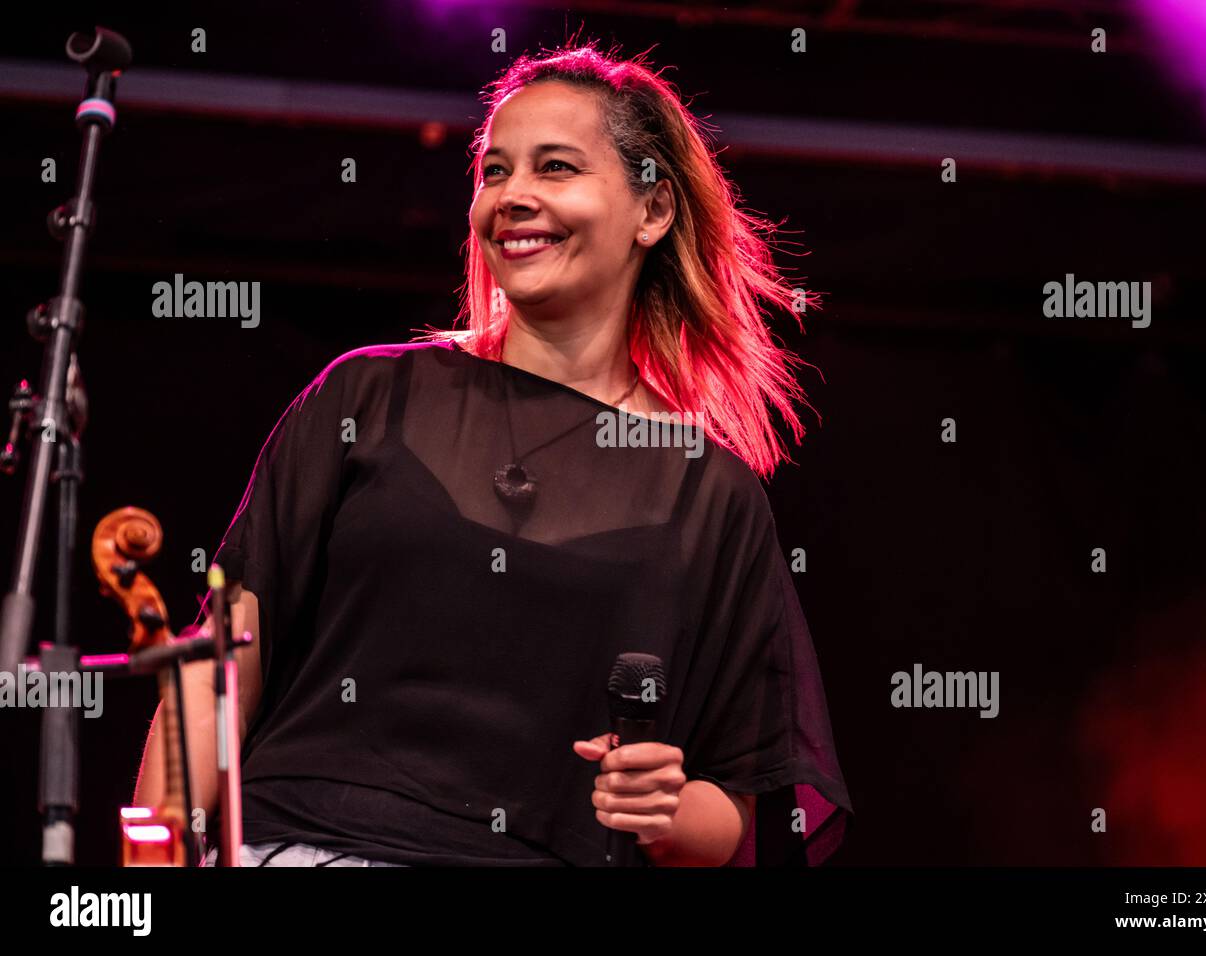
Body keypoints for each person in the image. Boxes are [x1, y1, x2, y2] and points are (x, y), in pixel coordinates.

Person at [133, 42, 853, 867]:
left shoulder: (711, 497)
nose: (513, 197)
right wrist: (149, 866)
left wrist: (666, 806)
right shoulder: (366, 397)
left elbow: (737, 810)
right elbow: (219, 665)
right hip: (294, 845)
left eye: (555, 168)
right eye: (495, 172)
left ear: (652, 213)